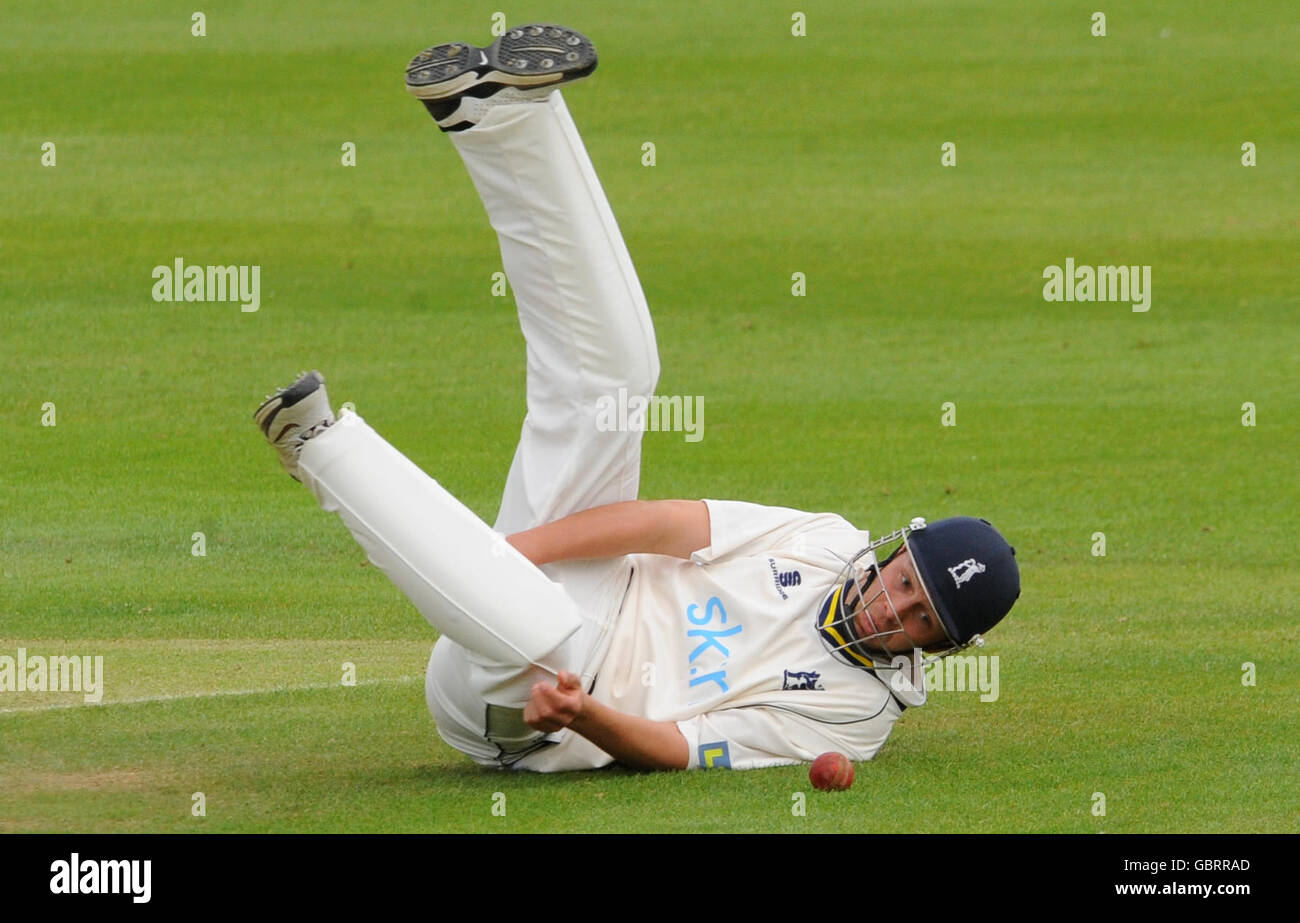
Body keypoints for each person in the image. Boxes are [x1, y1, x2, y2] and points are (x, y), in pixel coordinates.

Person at [253, 24, 1020, 773]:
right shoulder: (824, 541)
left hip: (531, 714)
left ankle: (320, 447)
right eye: (906, 583)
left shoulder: (853, 719)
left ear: (942, 650)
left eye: (922, 620)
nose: (894, 610)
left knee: (545, 631)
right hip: (592, 585)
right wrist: (501, 560)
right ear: (894, 549)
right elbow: (656, 524)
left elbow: (682, 748)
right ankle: (503, 117)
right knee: (616, 381)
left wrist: (583, 711)